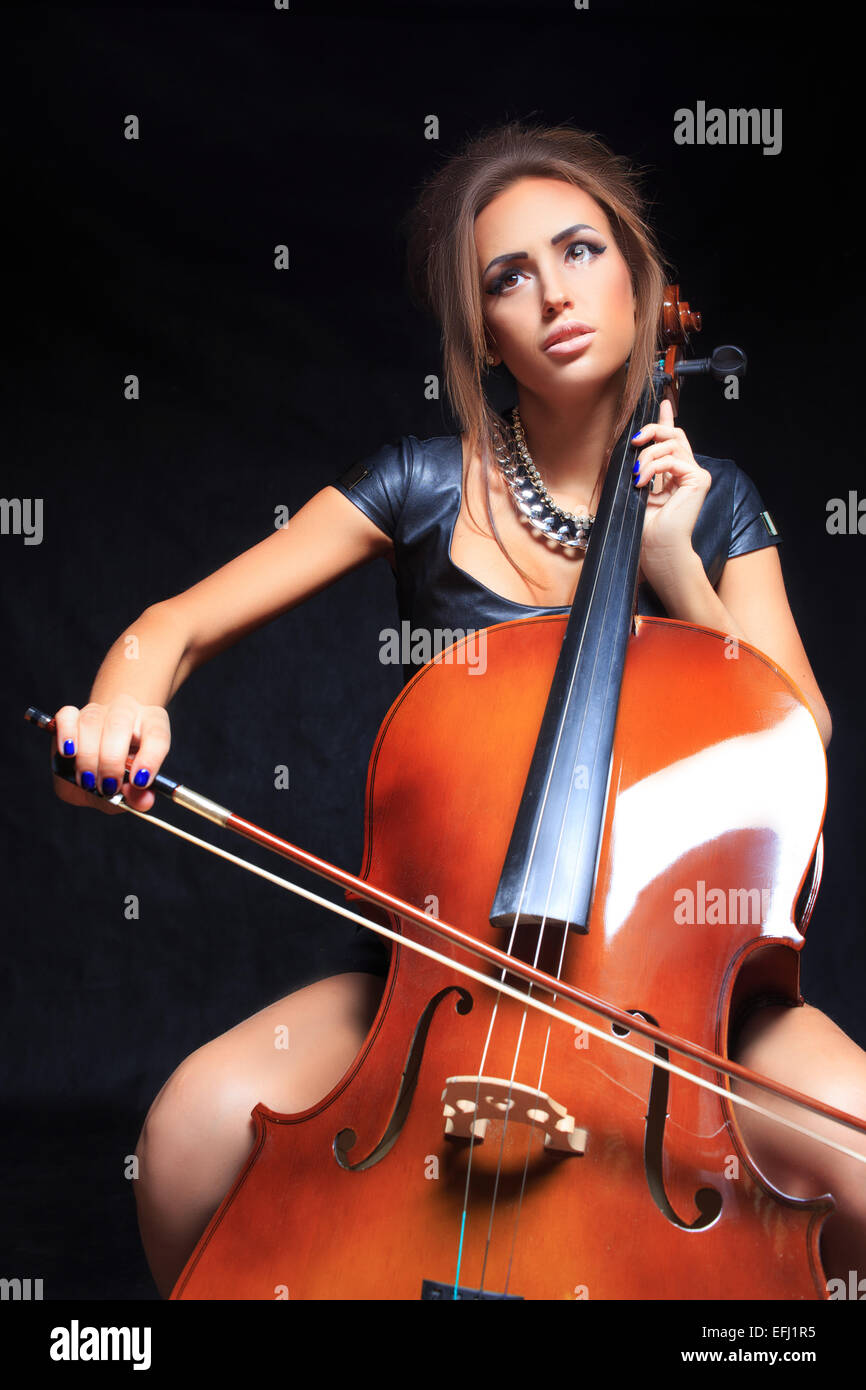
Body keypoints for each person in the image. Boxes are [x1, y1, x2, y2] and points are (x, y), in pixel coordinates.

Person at [51, 120, 866, 1300]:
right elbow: (171, 628)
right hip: (435, 971)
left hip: (671, 990)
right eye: (508, 278)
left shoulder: (717, 502)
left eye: (581, 252)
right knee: (186, 1136)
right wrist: (124, 702)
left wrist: (683, 564)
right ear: (482, 333)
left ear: (642, 286)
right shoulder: (423, 485)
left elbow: (798, 733)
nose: (553, 295)